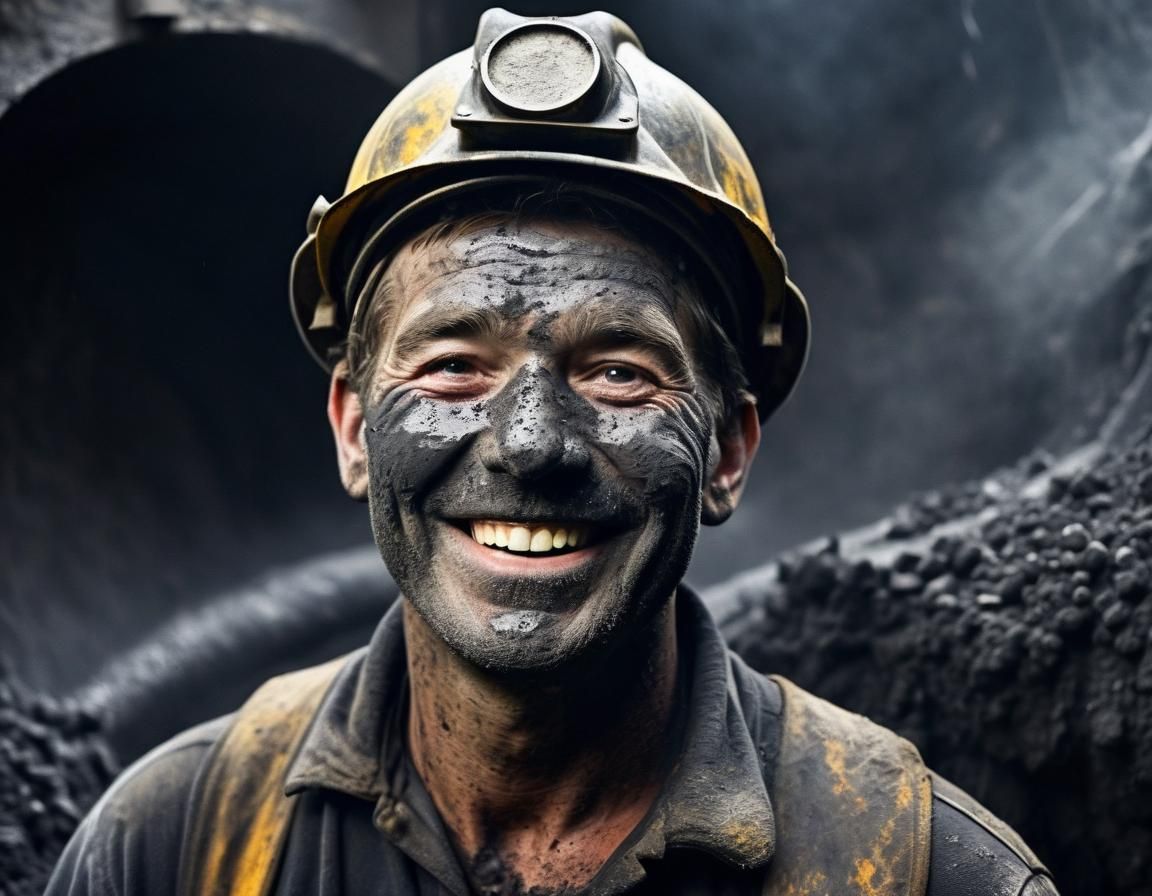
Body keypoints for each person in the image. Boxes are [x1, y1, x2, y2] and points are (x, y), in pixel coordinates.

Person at [46, 10, 1059, 896]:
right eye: (453, 365)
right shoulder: (172, 849)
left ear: (728, 451)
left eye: (617, 370)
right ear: (354, 425)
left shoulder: (928, 871)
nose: (531, 442)